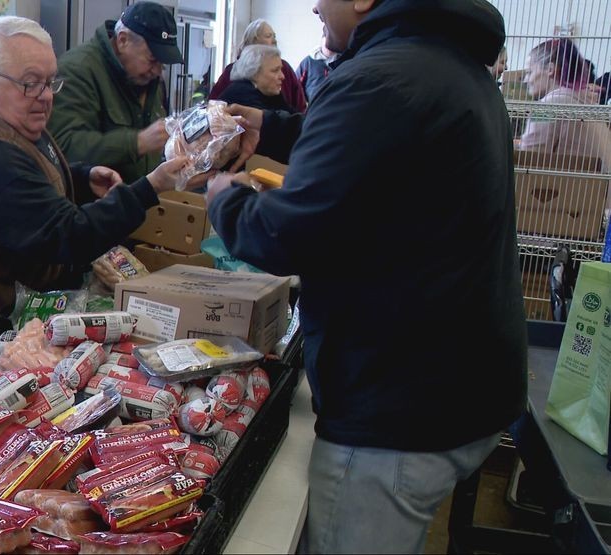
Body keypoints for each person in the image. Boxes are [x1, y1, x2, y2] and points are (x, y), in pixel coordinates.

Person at [206, 0, 527, 552]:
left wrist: (223, 200)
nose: (314, 6)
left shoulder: (378, 80)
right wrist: (272, 125)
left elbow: (288, 236)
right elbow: (373, 144)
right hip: (464, 387)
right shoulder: (447, 65)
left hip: (397, 413)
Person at [0, 16, 186, 357]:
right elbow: (66, 236)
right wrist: (150, 187)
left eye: (50, 82)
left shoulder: (4, 115)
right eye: (31, 83)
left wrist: (80, 177)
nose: (46, 96)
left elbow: (28, 183)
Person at [47, 1, 183, 186]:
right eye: (152, 60)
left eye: (163, 64)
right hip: (93, 200)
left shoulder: (148, 79)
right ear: (123, 40)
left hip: (139, 199)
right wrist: (137, 143)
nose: (158, 71)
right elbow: (63, 147)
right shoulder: (79, 71)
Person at [518, 38, 611, 173]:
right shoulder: (587, 104)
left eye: (529, 72)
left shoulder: (547, 108)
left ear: (550, 69)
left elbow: (528, 160)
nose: (526, 80)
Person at [209, 19, 308, 113]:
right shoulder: (236, 82)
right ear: (255, 72)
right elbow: (213, 106)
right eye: (269, 36)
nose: (274, 41)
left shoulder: (283, 71)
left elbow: (298, 110)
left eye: (274, 36)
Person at [217, 45, 294, 111]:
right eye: (275, 70)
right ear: (254, 72)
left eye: (281, 69)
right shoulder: (242, 93)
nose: (282, 76)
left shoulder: (269, 92)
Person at [297, 32, 337, 103]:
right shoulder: (308, 62)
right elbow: (296, 85)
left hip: (336, 105)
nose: (329, 47)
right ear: (322, 41)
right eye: (327, 44)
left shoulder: (343, 61)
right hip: (313, 106)